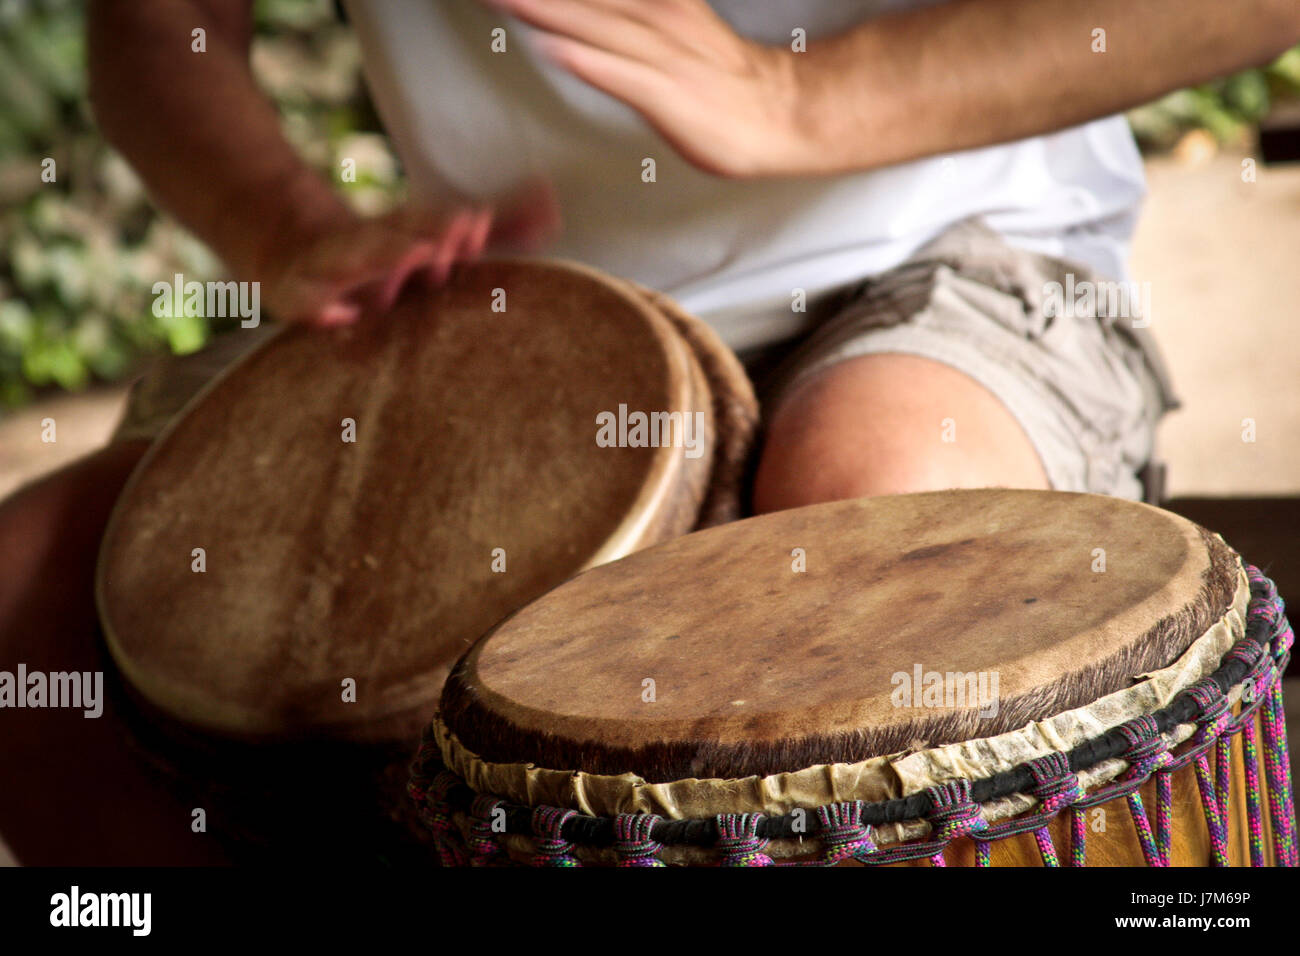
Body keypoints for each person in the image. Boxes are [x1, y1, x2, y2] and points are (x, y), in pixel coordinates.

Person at [0, 0, 1297, 861]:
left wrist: (804, 97)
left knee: (863, 527)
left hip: (938, 244)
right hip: (511, 305)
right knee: (30, 607)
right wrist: (288, 226)